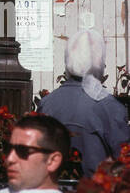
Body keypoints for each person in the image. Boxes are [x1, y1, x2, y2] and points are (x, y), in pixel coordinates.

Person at [39, 29, 130, 176]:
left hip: (52, 189)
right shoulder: (110, 106)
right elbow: (124, 160)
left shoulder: (47, 102)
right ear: (99, 62)